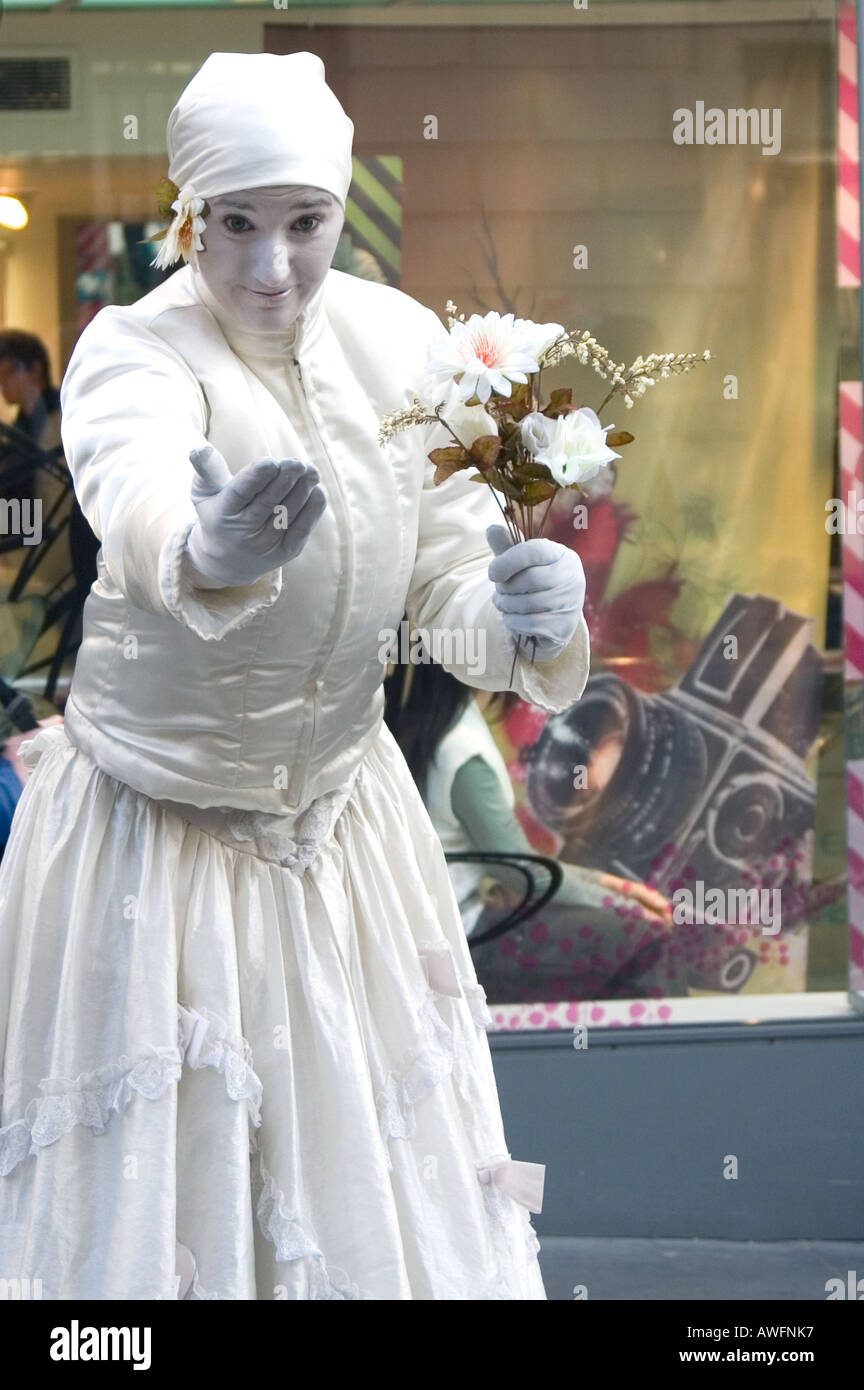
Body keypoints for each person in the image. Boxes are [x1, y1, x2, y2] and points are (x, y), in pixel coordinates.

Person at [0, 52, 591, 1301]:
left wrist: (521, 612)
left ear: (339, 209)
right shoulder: (134, 346)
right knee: (169, 1201)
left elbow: (445, 580)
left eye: (305, 225)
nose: (272, 268)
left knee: (354, 1184)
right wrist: (197, 548)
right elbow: (133, 468)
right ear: (188, 217)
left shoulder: (400, 341)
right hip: (153, 845)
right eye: (236, 226)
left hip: (342, 836)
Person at [385, 656, 685, 1003]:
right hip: (467, 940)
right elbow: (523, 875)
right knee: (648, 942)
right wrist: (618, 899)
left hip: (445, 931)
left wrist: (611, 888)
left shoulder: (422, 727)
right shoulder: (462, 751)